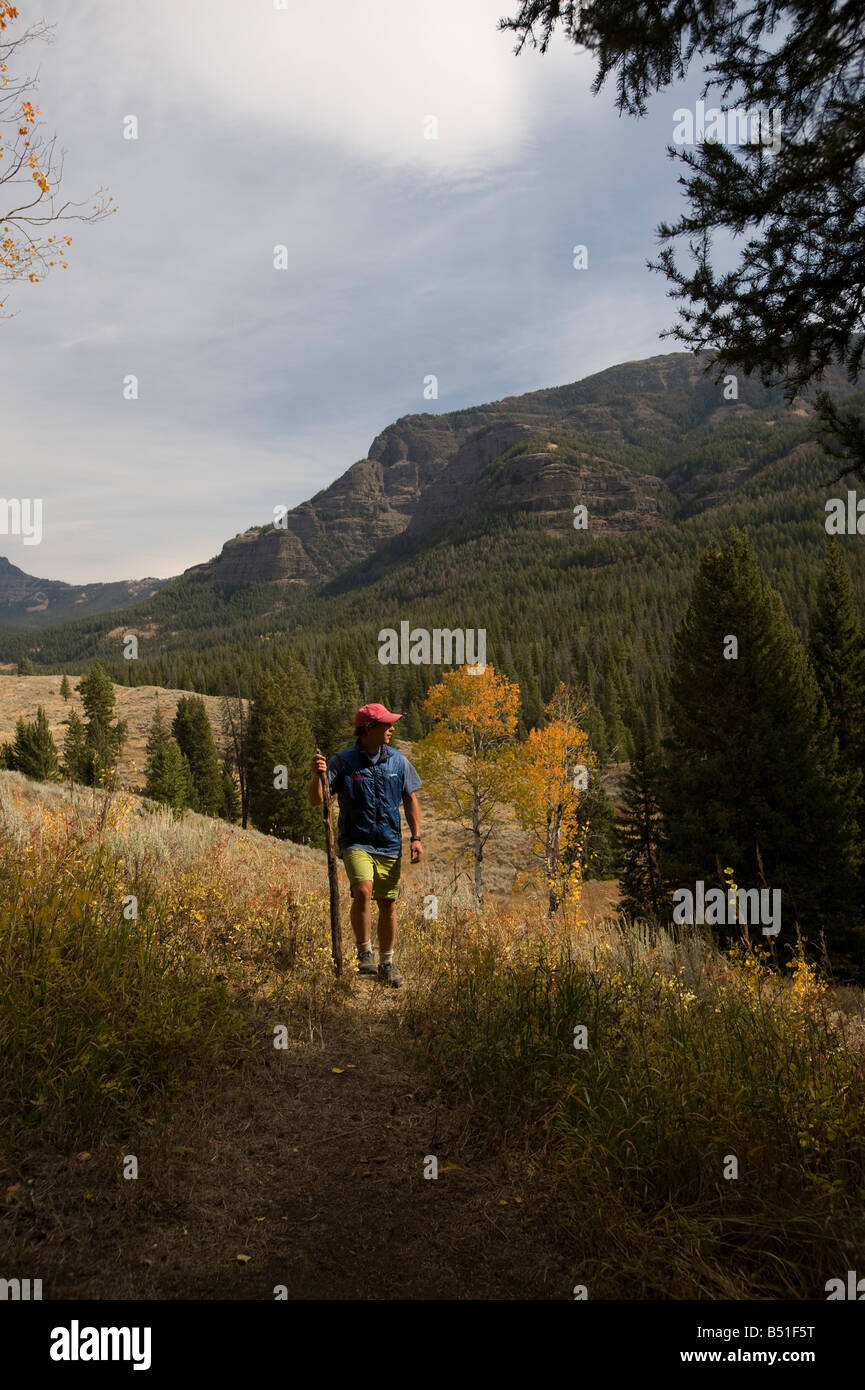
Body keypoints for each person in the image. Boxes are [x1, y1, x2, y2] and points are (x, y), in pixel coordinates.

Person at [308, 702, 422, 987]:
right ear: (369, 729)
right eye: (387, 724)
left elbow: (410, 799)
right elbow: (316, 799)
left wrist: (416, 838)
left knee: (388, 904)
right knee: (362, 890)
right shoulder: (343, 761)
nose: (392, 728)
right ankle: (364, 953)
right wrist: (316, 776)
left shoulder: (398, 760)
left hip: (389, 843)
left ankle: (387, 963)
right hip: (356, 841)